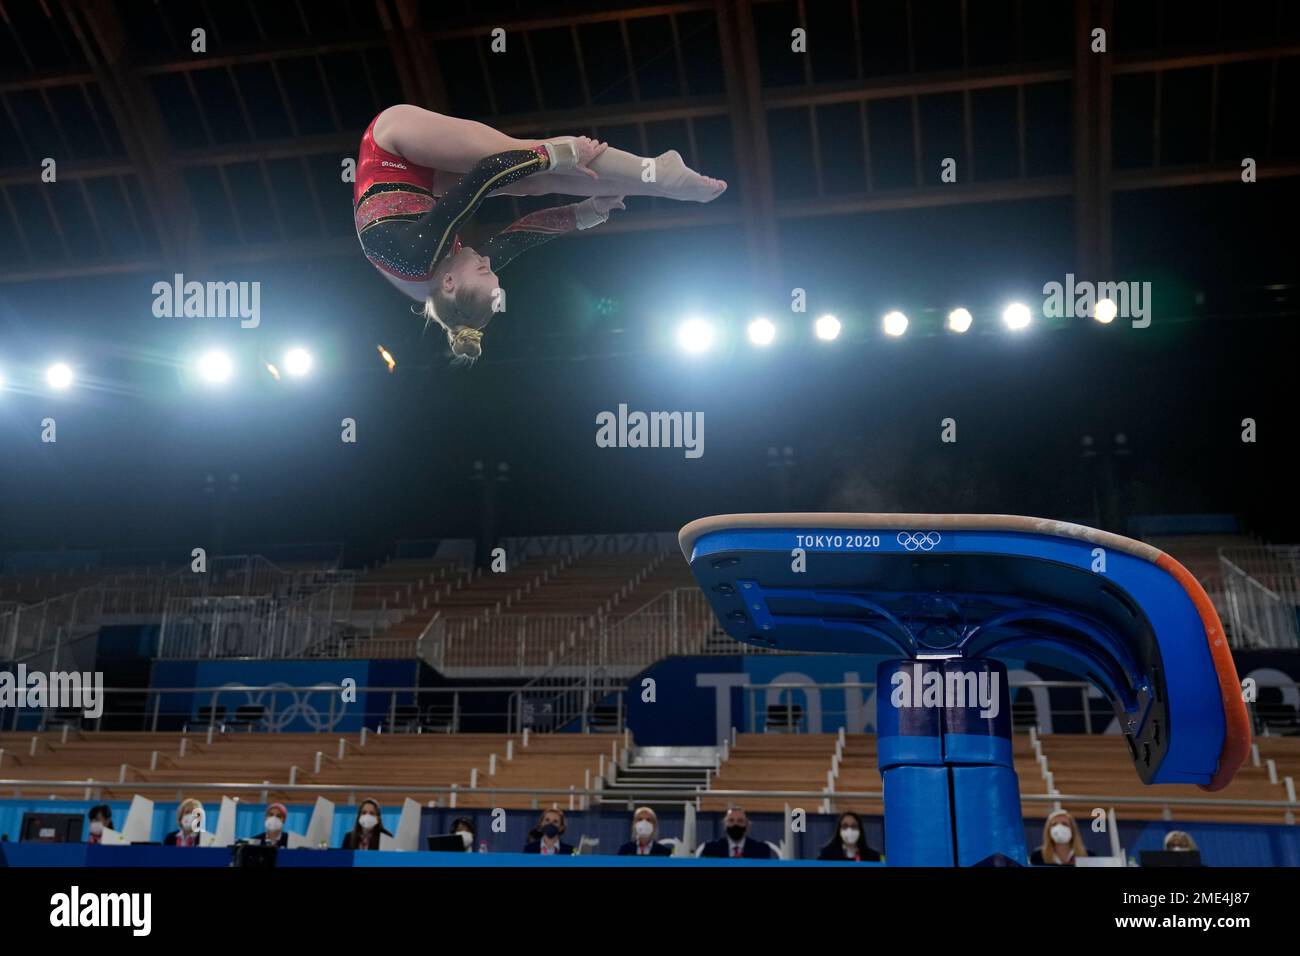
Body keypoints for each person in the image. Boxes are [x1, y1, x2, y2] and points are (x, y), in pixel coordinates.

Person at [354, 105, 727, 361]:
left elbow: (484, 176)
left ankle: (658, 172)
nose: (487, 258)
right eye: (490, 267)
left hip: (390, 141)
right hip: (417, 178)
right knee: (535, 182)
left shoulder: (418, 254)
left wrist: (561, 153)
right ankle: (655, 183)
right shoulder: (457, 277)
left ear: (449, 282)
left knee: (522, 155)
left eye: (484, 269)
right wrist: (589, 212)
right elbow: (522, 234)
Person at [700, 806, 772, 859]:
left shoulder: (761, 849)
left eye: (740, 821)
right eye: (731, 820)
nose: (735, 824)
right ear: (725, 824)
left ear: (747, 825)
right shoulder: (710, 849)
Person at [817, 811, 881, 861]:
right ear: (839, 830)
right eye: (845, 826)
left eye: (854, 826)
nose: (849, 830)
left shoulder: (872, 857)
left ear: (860, 830)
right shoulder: (827, 855)